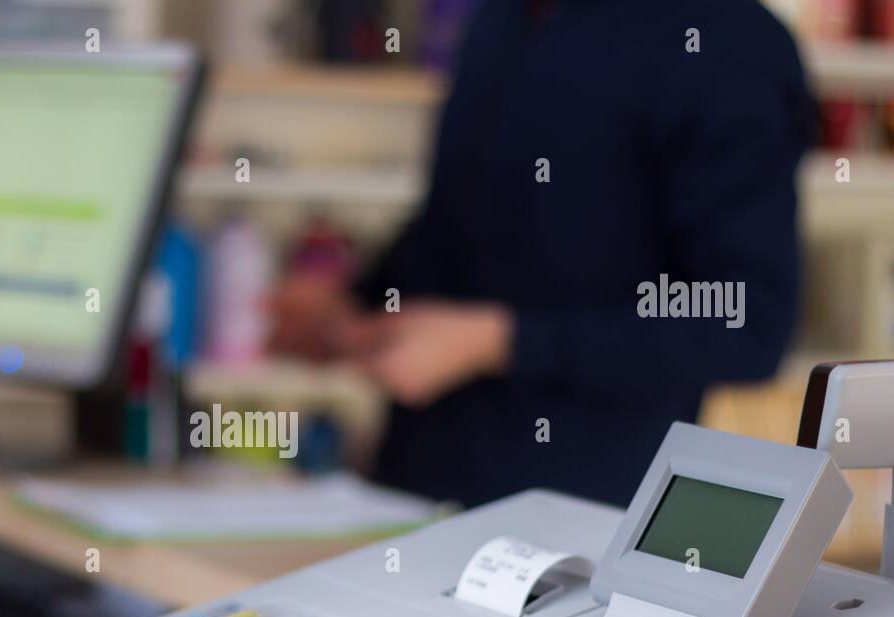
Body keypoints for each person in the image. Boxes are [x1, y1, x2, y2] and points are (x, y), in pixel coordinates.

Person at [269, 0, 813, 507]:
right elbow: (455, 218)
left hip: (575, 526)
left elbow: (746, 324)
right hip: (413, 493)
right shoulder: (498, 19)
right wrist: (354, 304)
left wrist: (498, 342)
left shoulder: (727, 41)